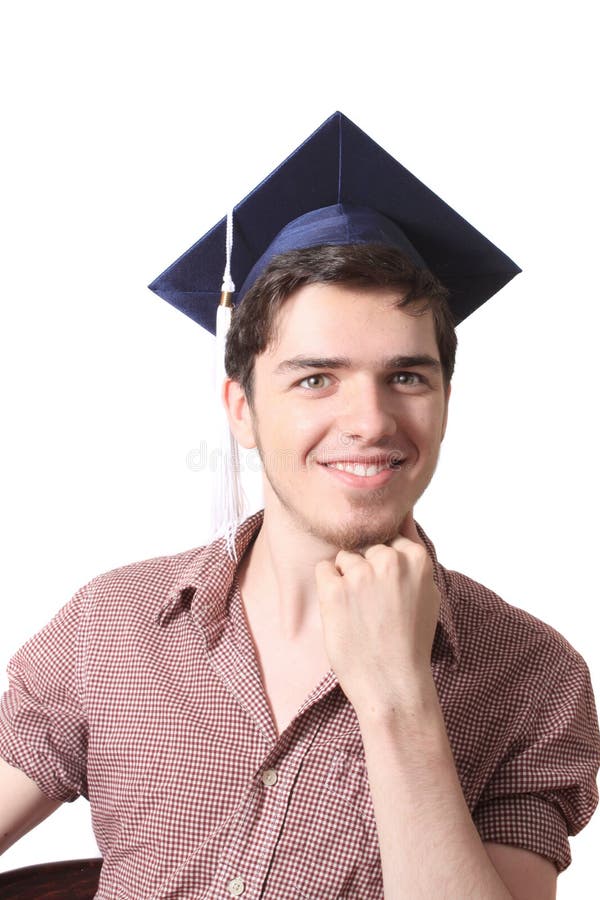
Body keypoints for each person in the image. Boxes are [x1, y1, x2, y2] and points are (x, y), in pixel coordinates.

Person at [1, 112, 599, 899]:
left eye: (407, 377)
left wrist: (398, 698)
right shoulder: (111, 626)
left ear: (446, 400)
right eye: (316, 378)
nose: (371, 422)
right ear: (241, 409)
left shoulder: (530, 678)